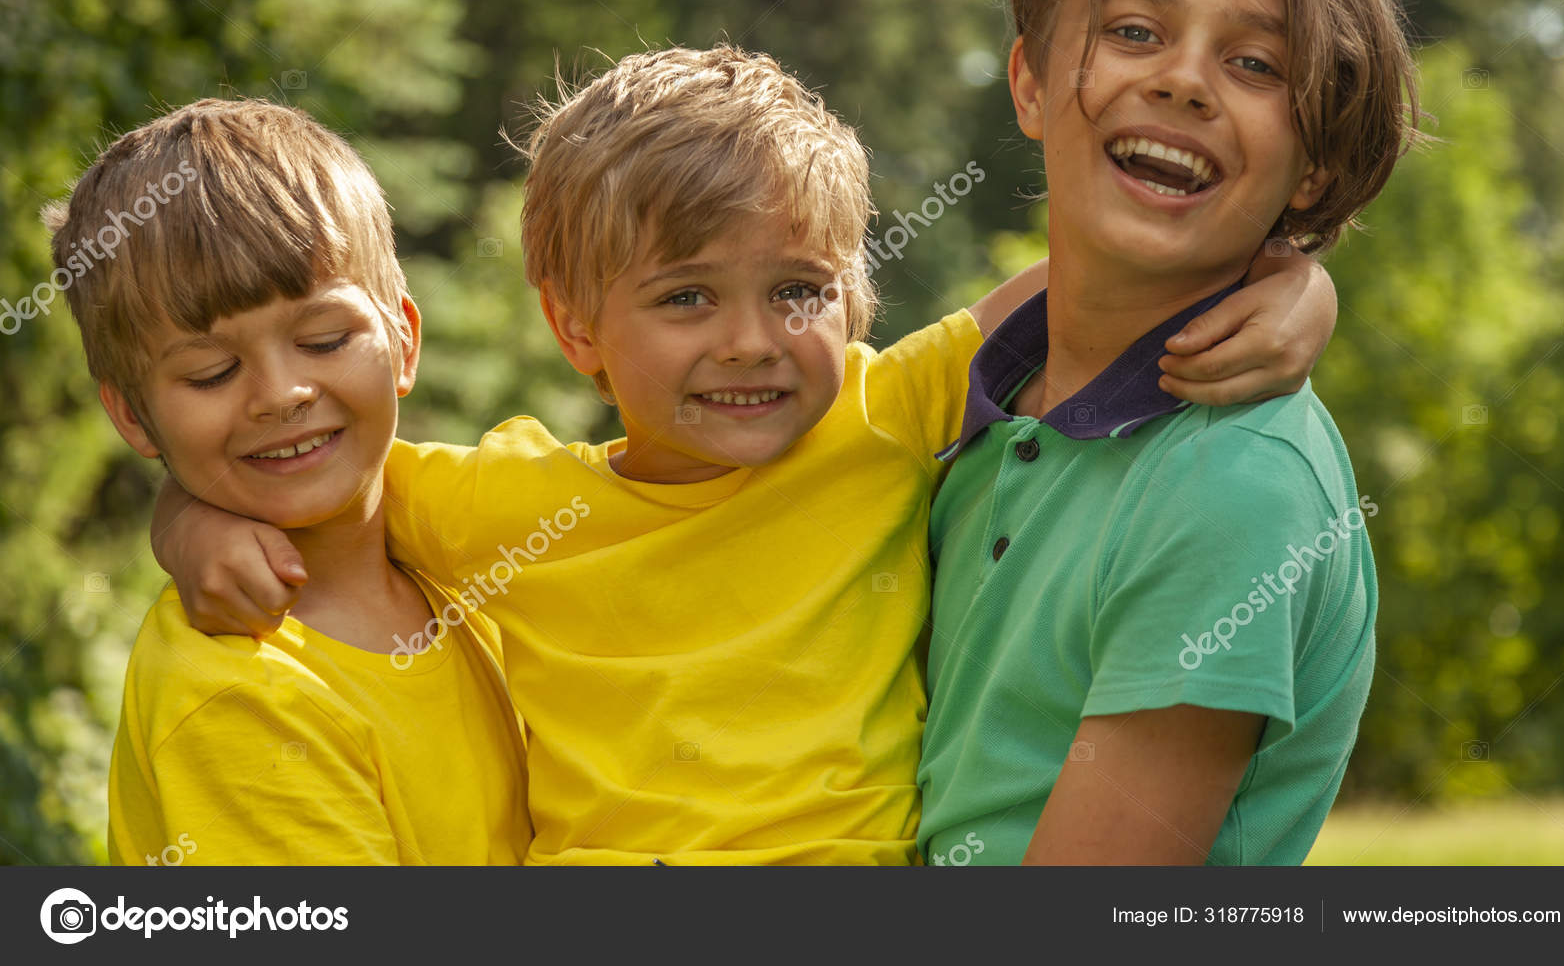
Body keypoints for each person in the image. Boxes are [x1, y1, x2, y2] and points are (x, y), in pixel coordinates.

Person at [155, 46, 1337, 864]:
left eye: (796, 290)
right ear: (575, 327)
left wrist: (1291, 278)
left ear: (854, 298)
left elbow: (1108, 285)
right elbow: (318, 472)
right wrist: (191, 524)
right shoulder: (507, 503)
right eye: (683, 298)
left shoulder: (878, 418)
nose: (750, 343)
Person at [916, 0, 1421, 866]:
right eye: (1135, 31)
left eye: (1252, 63)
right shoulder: (974, 399)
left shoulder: (1230, 484)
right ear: (1028, 84)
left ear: (1314, 168)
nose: (1183, 81)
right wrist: (1297, 278)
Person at [45, 99, 531, 864]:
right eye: (212, 372)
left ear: (403, 338)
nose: (281, 393)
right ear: (132, 416)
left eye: (324, 338)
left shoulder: (472, 545)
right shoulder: (237, 695)